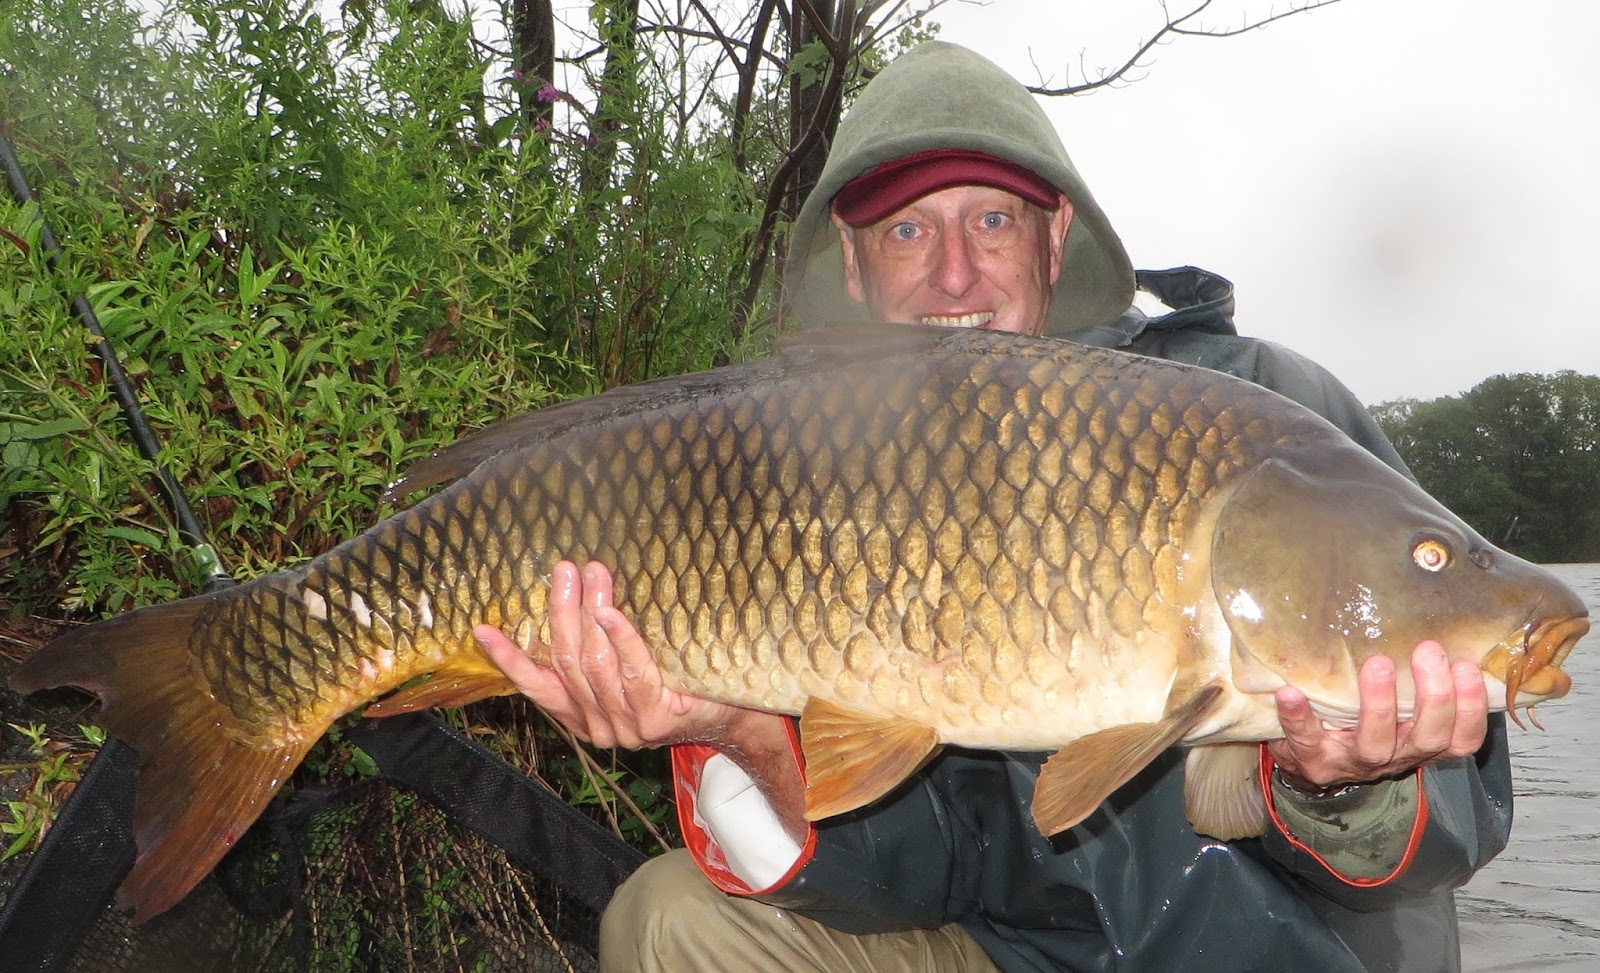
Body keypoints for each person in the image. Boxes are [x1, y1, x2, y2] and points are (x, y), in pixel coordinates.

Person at [476, 41, 1508, 972]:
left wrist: (1336, 784)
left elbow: (1450, 829)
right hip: (1017, 957)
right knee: (670, 921)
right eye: (908, 228)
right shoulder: (824, 468)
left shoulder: (1268, 413)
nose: (954, 271)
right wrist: (735, 727)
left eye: (992, 219)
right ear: (854, 264)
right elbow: (916, 873)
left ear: (1054, 239)